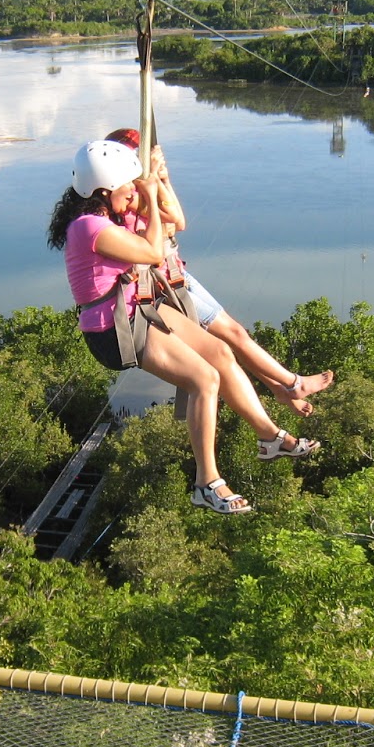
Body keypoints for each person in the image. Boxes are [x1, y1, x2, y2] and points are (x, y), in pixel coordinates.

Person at [48, 140, 319, 515]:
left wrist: (156, 183)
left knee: (222, 352)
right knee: (204, 379)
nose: (133, 192)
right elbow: (153, 252)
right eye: (128, 185)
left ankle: (268, 437)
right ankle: (206, 483)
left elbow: (173, 225)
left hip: (141, 309)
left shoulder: (104, 218)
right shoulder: (90, 227)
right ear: (105, 190)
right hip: (115, 329)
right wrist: (151, 192)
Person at [104, 128, 334, 417]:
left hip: (176, 273)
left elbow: (172, 224)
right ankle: (290, 384)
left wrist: (162, 178)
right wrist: (154, 183)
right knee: (232, 338)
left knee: (235, 336)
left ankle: (282, 387)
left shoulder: (139, 191)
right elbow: (178, 220)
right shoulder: (131, 196)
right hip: (166, 283)